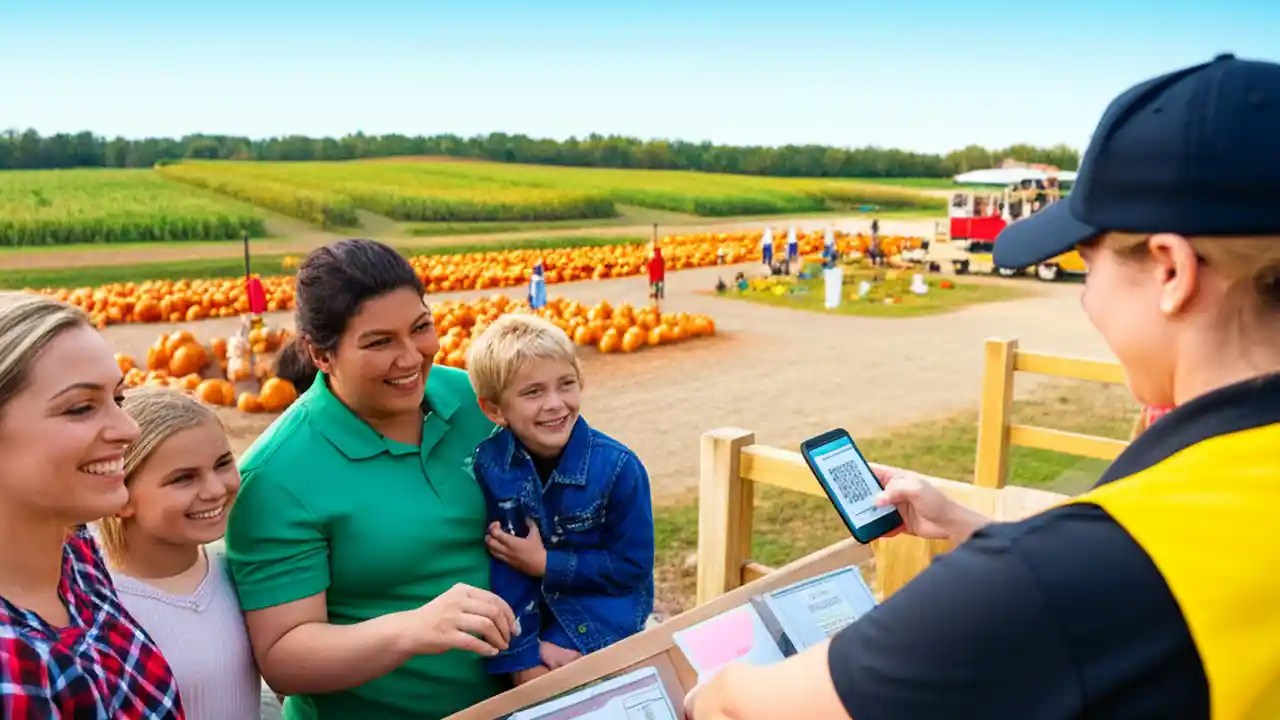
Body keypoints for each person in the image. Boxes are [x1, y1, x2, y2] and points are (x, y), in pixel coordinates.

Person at [686, 53, 1280, 720]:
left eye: (1089, 266)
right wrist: (973, 529)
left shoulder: (1065, 575)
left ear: (1171, 270)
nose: (1088, 301)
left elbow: (758, 709)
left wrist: (718, 690)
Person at [224, 239, 518, 720]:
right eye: (380, 342)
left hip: (529, 701)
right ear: (320, 355)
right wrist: (413, 629)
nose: (410, 358)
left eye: (420, 328)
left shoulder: (474, 400)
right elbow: (284, 658)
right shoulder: (276, 477)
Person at [0, 294, 184, 718]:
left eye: (118, 399)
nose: (129, 429)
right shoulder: (12, 673)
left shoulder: (75, 551)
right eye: (82, 408)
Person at [466, 314, 655, 686]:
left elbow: (630, 568)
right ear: (494, 410)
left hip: (604, 615)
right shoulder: (490, 466)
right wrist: (522, 656)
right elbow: (505, 567)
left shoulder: (619, 468)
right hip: (533, 618)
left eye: (565, 385)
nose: (555, 403)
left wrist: (545, 563)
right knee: (529, 685)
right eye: (533, 392)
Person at [95, 387, 273, 720]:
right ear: (120, 494)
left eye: (222, 464)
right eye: (183, 478)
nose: (216, 489)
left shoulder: (239, 570)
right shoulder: (100, 608)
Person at [647, 241, 666, 305]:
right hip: (657, 276)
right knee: (658, 284)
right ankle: (658, 294)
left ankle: (657, 293)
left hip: (656, 276)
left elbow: (649, 266)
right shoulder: (660, 259)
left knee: (656, 284)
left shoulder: (656, 259)